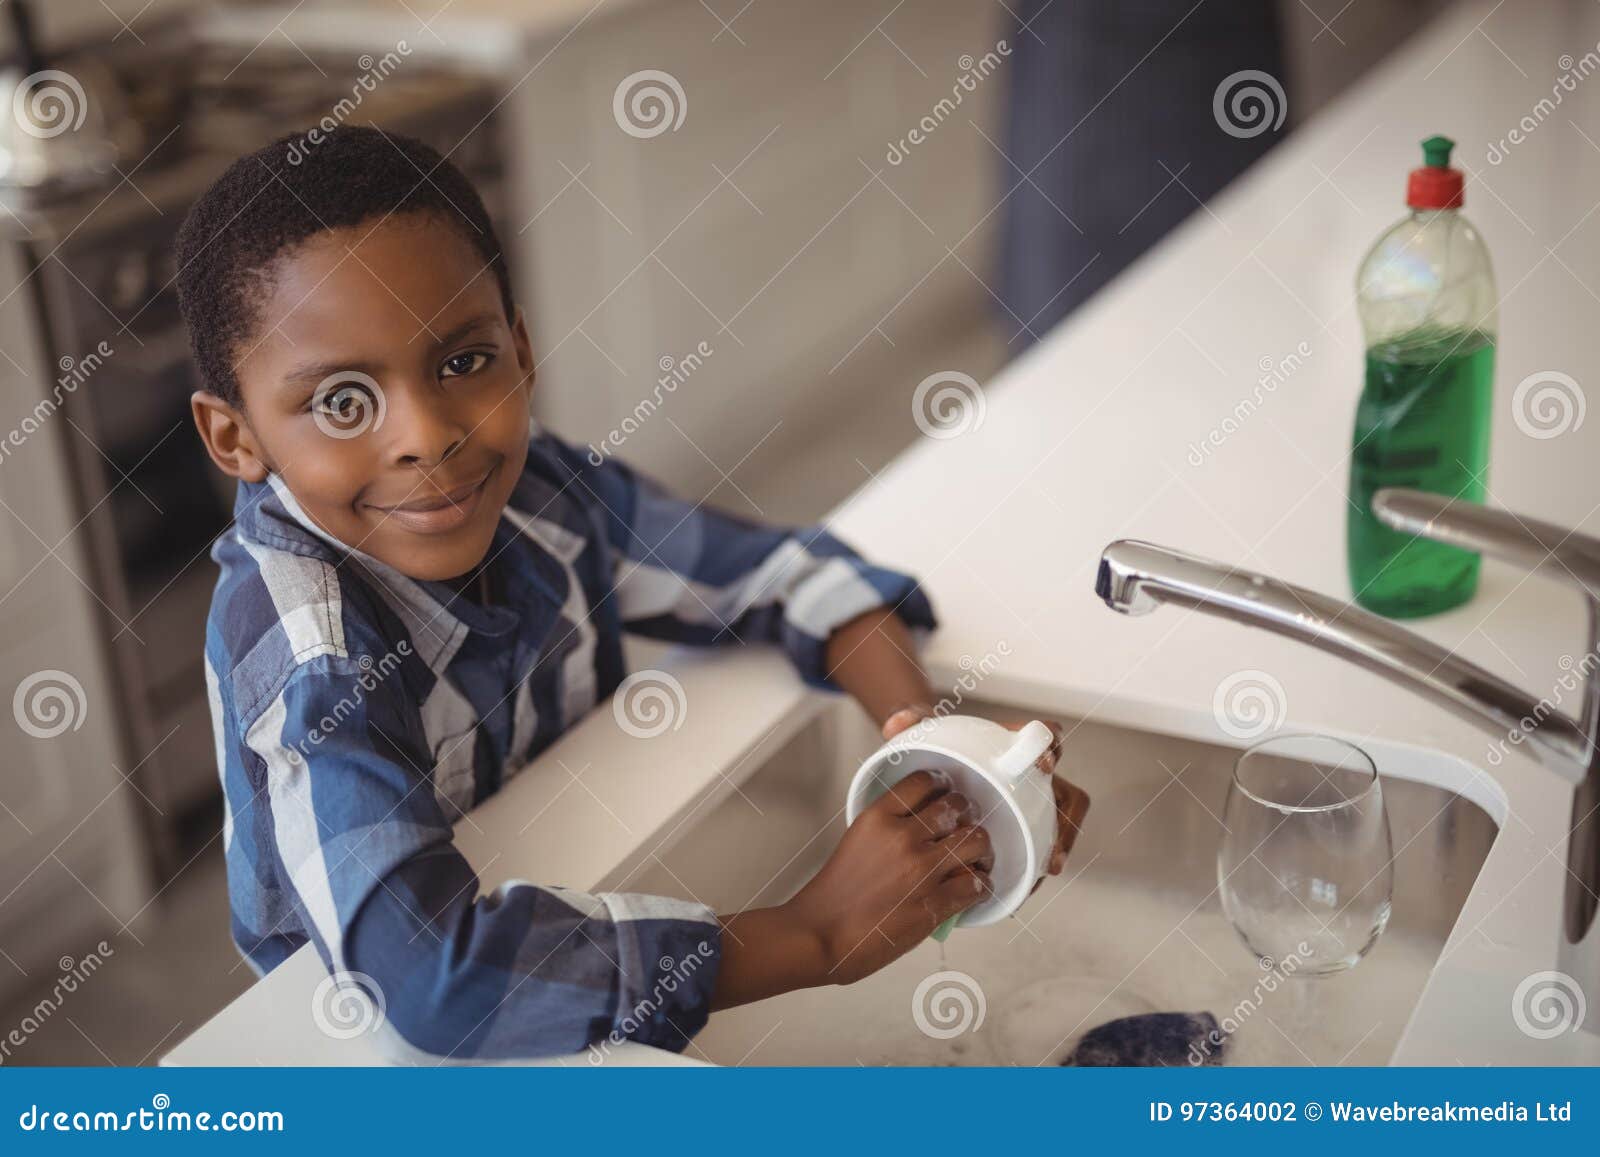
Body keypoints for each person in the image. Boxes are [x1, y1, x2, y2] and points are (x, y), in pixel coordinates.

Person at [176, 126, 1088, 1060]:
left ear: (521, 348)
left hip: (578, 898)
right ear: (234, 438)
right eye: (341, 401)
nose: (429, 434)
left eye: (462, 362)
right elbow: (436, 980)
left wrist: (936, 749)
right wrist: (813, 935)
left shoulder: (544, 499)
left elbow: (788, 576)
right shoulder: (308, 657)